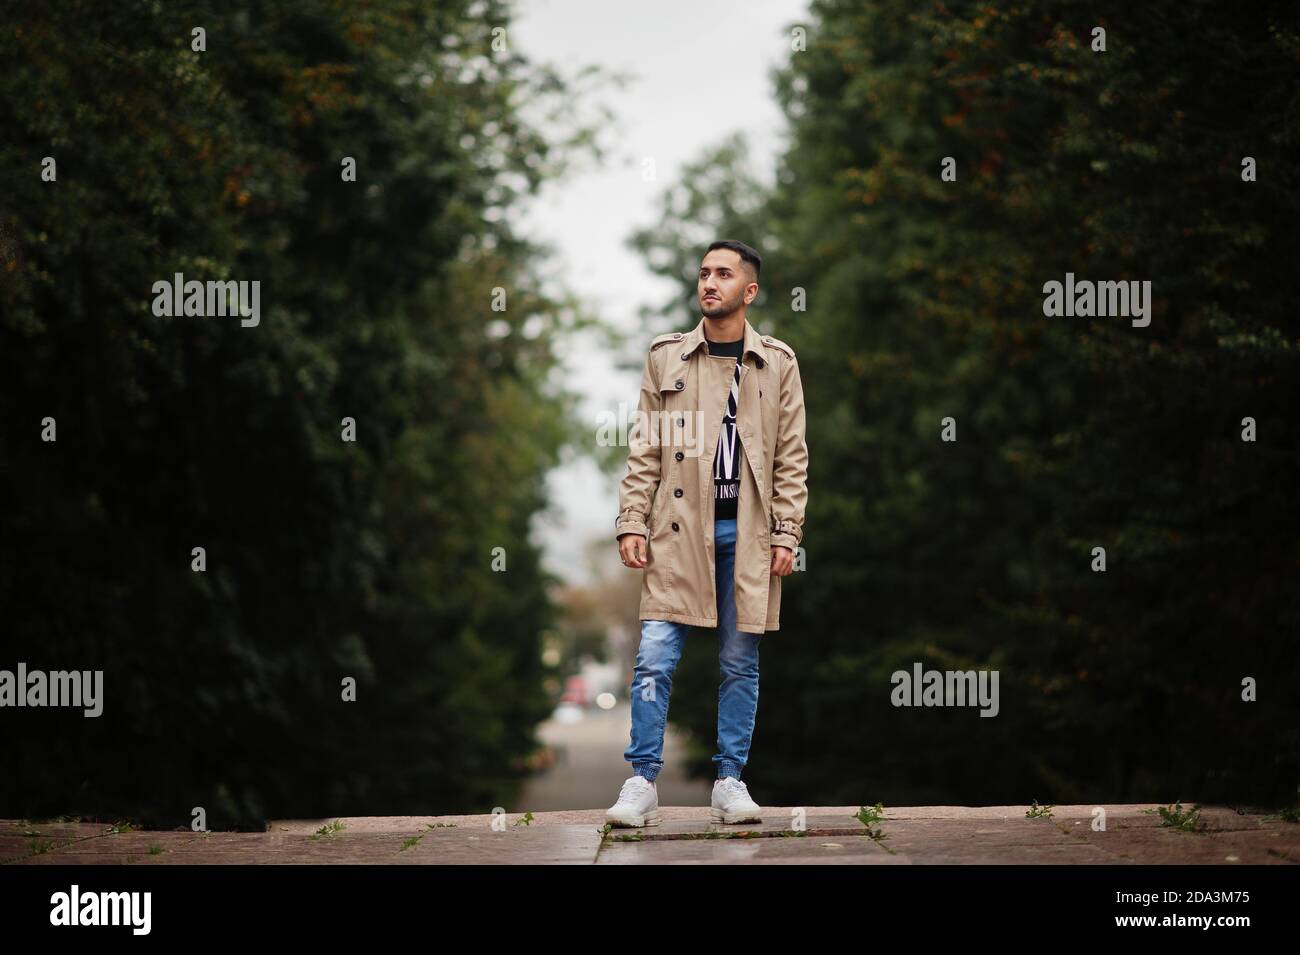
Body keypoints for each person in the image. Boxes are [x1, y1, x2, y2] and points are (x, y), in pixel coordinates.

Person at [606, 239, 809, 827]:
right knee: (653, 659)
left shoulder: (779, 363)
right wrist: (631, 521)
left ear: (749, 291)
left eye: (723, 274)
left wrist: (786, 533)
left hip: (747, 536)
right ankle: (641, 780)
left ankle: (730, 780)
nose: (708, 282)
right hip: (676, 533)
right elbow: (644, 446)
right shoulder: (666, 357)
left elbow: (792, 458)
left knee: (740, 662)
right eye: (703, 273)